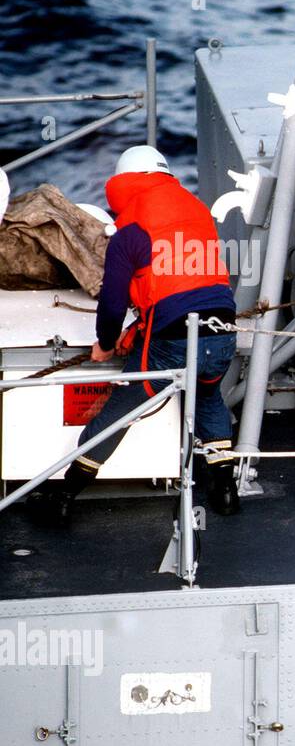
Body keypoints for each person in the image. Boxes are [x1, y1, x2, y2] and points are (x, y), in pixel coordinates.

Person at [27, 146, 239, 525]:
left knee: (118, 412)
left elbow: (112, 301)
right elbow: (185, 282)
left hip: (174, 339)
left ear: (122, 182)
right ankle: (226, 491)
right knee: (208, 398)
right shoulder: (196, 210)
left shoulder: (132, 228)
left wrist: (105, 345)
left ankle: (63, 496)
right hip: (222, 327)